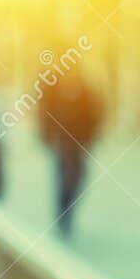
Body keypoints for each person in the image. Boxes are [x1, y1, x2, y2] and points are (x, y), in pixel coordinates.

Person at [37, 67, 105, 236]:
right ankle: (63, 213)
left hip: (80, 143)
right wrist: (47, 136)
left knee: (78, 177)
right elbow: (45, 113)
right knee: (64, 177)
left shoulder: (88, 92)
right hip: (63, 142)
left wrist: (92, 138)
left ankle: (67, 210)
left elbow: (96, 115)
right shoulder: (54, 91)